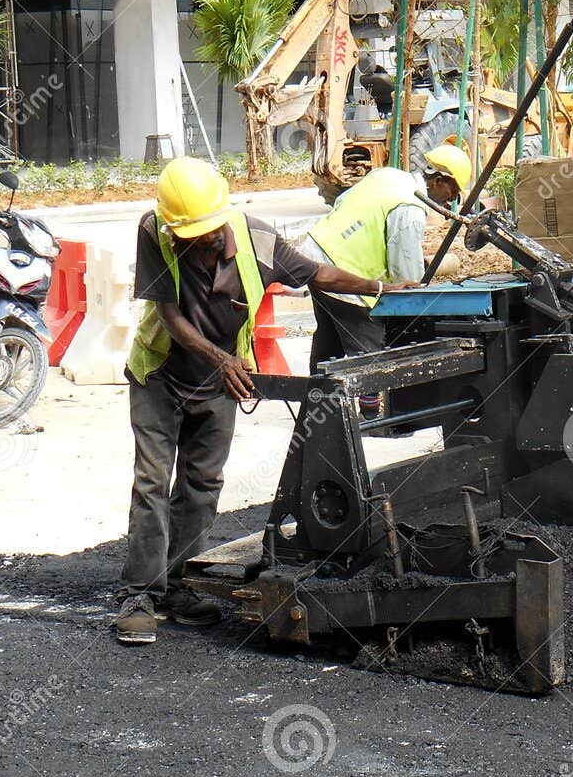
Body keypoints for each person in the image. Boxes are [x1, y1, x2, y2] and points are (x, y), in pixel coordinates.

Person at [117, 158, 403, 646]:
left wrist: (380, 287)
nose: (190, 241)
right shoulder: (156, 229)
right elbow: (167, 312)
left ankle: (177, 586)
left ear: (218, 226)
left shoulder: (257, 240)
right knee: (151, 482)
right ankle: (140, 594)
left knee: (203, 484)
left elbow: (317, 274)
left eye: (199, 234)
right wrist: (217, 357)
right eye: (183, 233)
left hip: (221, 383)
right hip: (161, 374)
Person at [297, 144, 472, 374]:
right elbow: (407, 277)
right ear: (438, 180)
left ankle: (316, 402)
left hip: (316, 257)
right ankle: (369, 409)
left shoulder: (388, 175)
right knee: (371, 357)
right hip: (345, 274)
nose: (451, 202)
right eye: (453, 192)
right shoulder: (411, 207)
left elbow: (342, 203)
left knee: (330, 346)